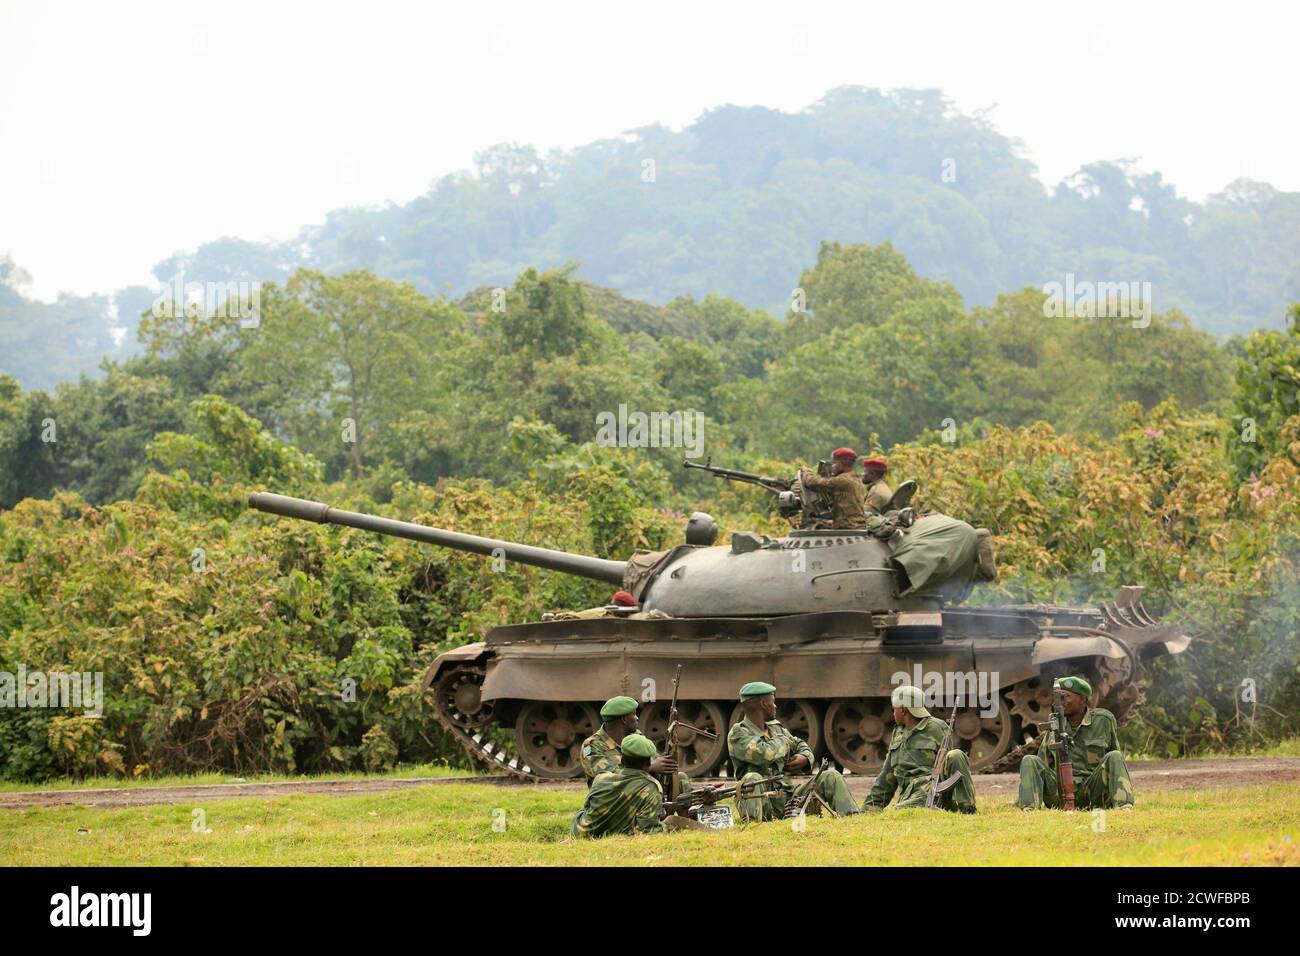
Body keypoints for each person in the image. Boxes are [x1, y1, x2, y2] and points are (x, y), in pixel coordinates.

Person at [727, 681, 858, 821]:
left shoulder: (775, 728)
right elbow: (765, 753)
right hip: (762, 801)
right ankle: (754, 824)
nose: (775, 706)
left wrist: (804, 757)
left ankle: (851, 819)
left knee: (831, 776)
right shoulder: (738, 734)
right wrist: (784, 741)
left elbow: (800, 744)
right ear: (764, 704)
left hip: (788, 800)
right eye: (773, 701)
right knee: (752, 779)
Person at [1016, 676, 1135, 811]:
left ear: (1082, 699)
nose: (1060, 702)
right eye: (1058, 698)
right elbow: (1040, 764)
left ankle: (1124, 807)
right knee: (1030, 760)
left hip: (1091, 791)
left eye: (1065, 697)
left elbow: (1115, 761)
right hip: (1059, 793)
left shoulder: (1103, 720)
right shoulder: (1055, 723)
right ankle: (1028, 809)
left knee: (1115, 756)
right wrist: (1024, 796)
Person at [862, 685, 977, 813]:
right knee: (899, 811)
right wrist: (869, 808)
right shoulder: (898, 732)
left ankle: (968, 809)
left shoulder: (937, 727)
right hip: (910, 796)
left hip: (935, 791)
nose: (893, 713)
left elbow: (949, 765)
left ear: (904, 710)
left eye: (894, 709)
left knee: (956, 755)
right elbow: (887, 775)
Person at [571, 733, 668, 838]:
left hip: (581, 832)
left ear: (622, 760)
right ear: (648, 763)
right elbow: (648, 828)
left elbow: (587, 808)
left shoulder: (601, 778)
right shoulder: (651, 787)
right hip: (612, 835)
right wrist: (670, 824)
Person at [580, 695, 684, 790]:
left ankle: (689, 810)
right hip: (612, 799)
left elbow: (653, 759)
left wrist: (665, 762)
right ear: (624, 719)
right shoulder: (592, 745)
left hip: (639, 791)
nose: (637, 718)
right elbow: (606, 780)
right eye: (634, 714)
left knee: (680, 779)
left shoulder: (635, 735)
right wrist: (650, 767)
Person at [798, 447, 867, 529]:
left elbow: (812, 483)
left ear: (842, 463)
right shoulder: (856, 478)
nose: (833, 466)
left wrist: (806, 471)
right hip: (856, 524)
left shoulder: (842, 480)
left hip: (847, 525)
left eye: (835, 462)